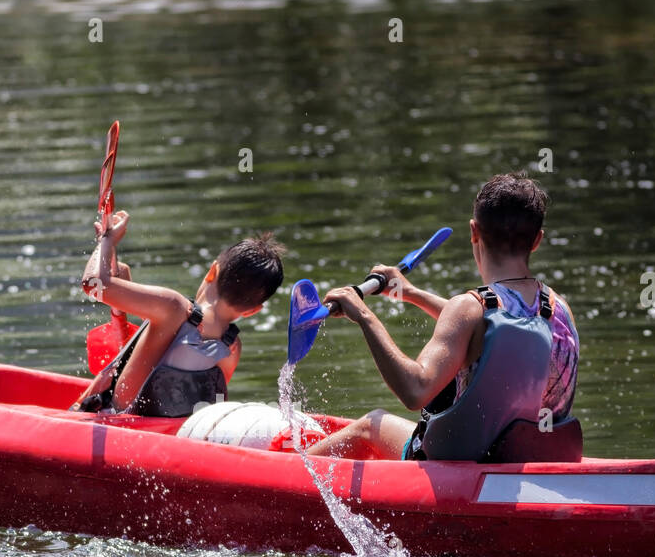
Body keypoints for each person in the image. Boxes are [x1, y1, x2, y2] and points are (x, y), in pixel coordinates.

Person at [306, 173, 579, 461]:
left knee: (370, 425)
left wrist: (362, 315)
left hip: (463, 467)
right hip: (540, 459)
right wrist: (409, 292)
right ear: (537, 240)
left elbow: (415, 391)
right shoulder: (558, 308)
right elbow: (489, 329)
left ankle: (280, 473)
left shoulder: (468, 309)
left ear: (474, 232)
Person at [75, 211, 284, 417]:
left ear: (212, 271)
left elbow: (94, 285)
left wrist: (106, 240)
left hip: (114, 423)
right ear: (253, 311)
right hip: (168, 438)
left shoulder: (172, 307)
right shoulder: (232, 350)